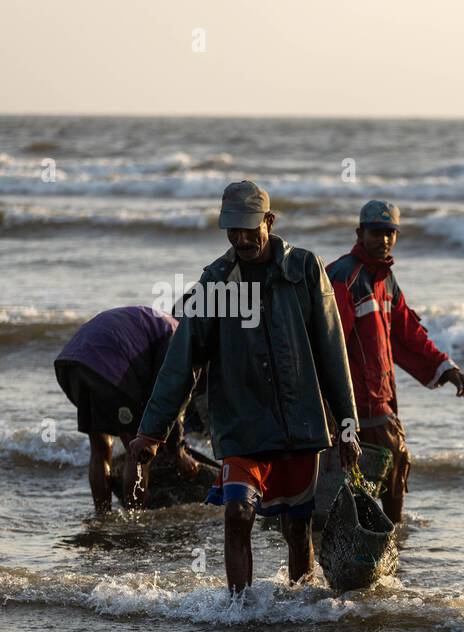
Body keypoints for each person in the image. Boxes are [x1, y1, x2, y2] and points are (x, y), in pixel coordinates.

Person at [129, 181, 360, 593]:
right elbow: (182, 363)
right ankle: (240, 615)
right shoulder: (216, 283)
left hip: (300, 423)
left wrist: (347, 425)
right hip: (241, 422)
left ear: (269, 221)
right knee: (237, 513)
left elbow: (332, 353)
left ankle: (299, 608)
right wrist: (150, 432)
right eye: (231, 231)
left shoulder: (305, 270)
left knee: (296, 527)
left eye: (249, 228)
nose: (240, 238)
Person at [327, 200, 464, 523]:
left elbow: (408, 334)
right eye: (377, 232)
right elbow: (326, 345)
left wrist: (445, 367)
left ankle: (385, 538)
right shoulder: (343, 277)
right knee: (377, 470)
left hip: (382, 399)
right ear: (360, 233)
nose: (385, 240)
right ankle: (383, 540)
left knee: (389, 472)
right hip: (353, 404)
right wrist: (331, 407)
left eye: (391, 233)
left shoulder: (386, 281)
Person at [53, 306, 199, 512]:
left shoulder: (156, 320)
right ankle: (134, 518)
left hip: (72, 363)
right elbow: (166, 395)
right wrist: (178, 450)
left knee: (100, 447)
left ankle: (102, 514)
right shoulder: (177, 333)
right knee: (138, 449)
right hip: (107, 366)